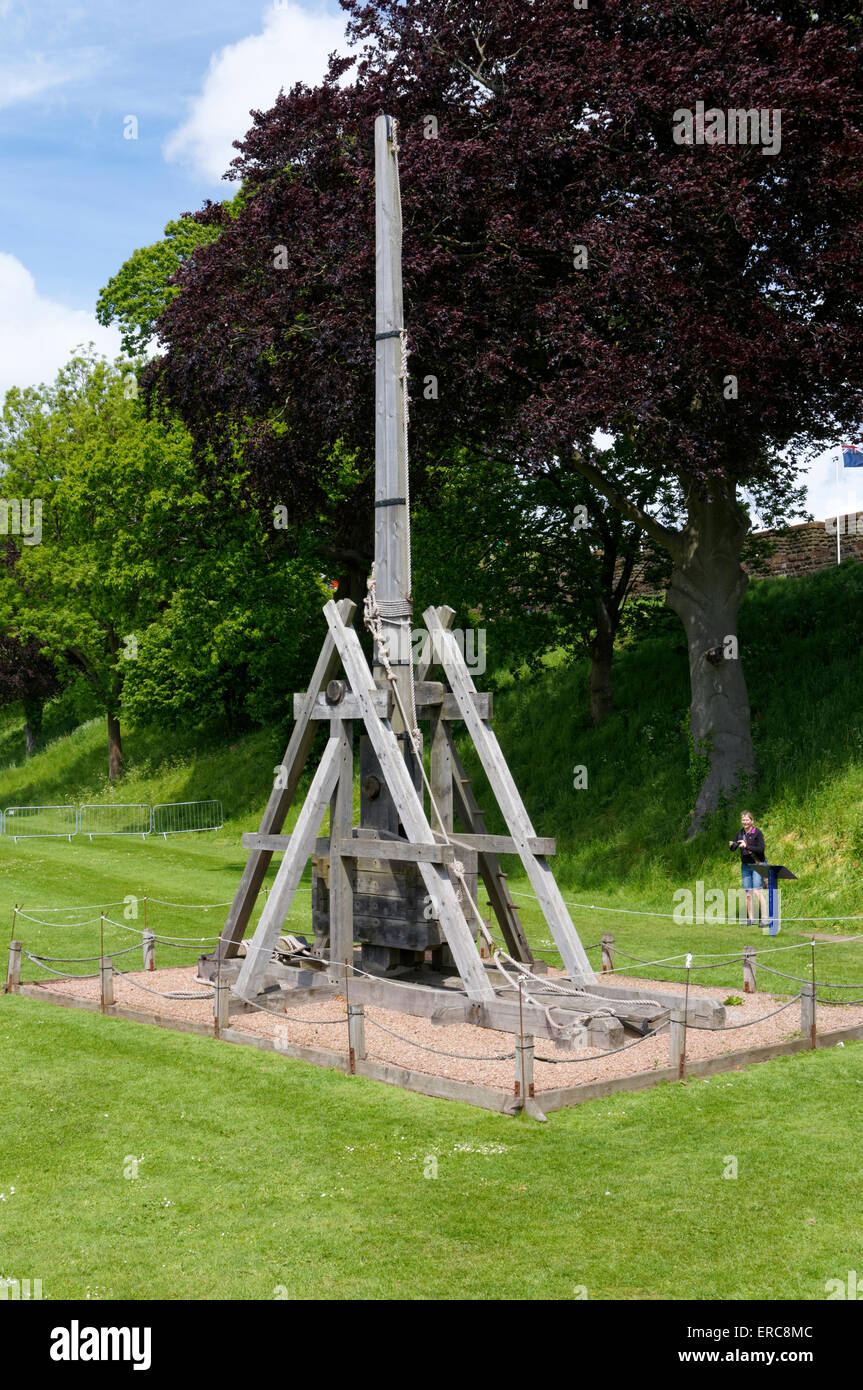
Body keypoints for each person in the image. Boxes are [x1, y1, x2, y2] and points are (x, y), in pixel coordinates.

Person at [729, 811, 768, 926]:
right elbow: (734, 847)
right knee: (748, 893)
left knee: (757, 892)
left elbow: (761, 849)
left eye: (747, 820)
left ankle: (765, 918)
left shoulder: (758, 833)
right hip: (745, 866)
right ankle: (751, 919)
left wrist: (747, 846)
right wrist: (732, 846)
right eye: (743, 820)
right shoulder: (740, 833)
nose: (745, 822)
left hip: (756, 865)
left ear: (752, 821)